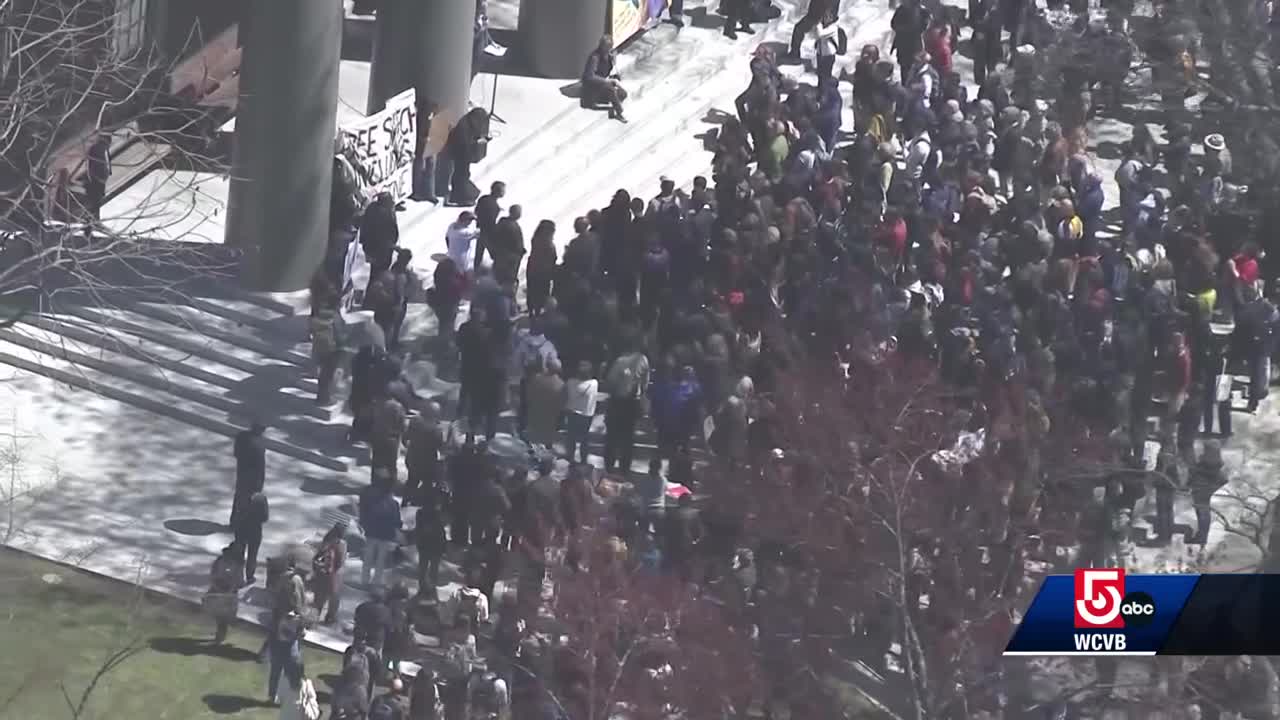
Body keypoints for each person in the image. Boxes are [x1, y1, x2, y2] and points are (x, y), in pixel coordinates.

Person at [359, 475, 403, 587]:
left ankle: (365, 580)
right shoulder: (394, 504)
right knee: (380, 560)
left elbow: (366, 515)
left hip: (372, 533)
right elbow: (396, 521)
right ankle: (376, 581)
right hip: (385, 535)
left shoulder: (374, 501)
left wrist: (365, 525)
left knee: (368, 558)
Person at [446, 107, 490, 206]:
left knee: (461, 174)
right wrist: (477, 142)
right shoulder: (464, 126)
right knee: (462, 175)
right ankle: (461, 197)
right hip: (461, 155)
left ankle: (458, 195)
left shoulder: (466, 122)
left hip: (462, 154)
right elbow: (464, 143)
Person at [582, 36, 628, 123]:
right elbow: (590, 76)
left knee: (623, 94)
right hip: (592, 86)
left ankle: (612, 105)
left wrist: (613, 63)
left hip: (602, 83)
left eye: (608, 48)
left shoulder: (608, 56)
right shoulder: (594, 58)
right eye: (604, 47)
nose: (606, 50)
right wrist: (607, 81)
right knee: (610, 89)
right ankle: (619, 113)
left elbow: (607, 71)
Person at [311, 522, 348, 625]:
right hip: (334, 576)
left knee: (319, 599)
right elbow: (340, 561)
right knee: (334, 599)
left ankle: (312, 619)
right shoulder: (341, 544)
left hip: (322, 573)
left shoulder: (327, 540)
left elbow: (317, 556)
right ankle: (329, 619)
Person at [206, 543, 243, 643]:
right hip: (217, 588)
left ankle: (220, 636)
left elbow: (238, 581)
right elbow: (212, 575)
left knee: (224, 615)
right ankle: (220, 632)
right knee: (215, 612)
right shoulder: (219, 561)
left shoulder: (238, 565)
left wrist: (229, 591)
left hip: (229, 592)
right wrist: (216, 587)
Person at [231, 422, 266, 527]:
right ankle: (238, 523)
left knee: (242, 498)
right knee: (244, 498)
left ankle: (237, 522)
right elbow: (259, 462)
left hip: (247, 474)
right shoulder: (249, 440)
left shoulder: (245, 437)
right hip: (249, 475)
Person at [564, 360, 599, 464]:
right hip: (586, 414)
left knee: (571, 437)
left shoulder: (570, 382)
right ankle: (583, 460)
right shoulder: (594, 383)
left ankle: (570, 458)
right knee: (584, 439)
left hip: (572, 412)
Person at [233, 488, 269, 586]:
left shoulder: (241, 495)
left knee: (239, 553)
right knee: (252, 555)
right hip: (255, 530)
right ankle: (250, 576)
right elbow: (265, 517)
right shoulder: (261, 498)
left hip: (241, 529)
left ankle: (237, 576)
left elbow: (235, 513)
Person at [475, 182, 505, 272]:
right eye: (503, 190)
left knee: (479, 253)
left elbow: (477, 210)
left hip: (480, 230)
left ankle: (475, 270)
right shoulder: (494, 206)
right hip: (489, 233)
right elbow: (490, 222)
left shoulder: (483, 198)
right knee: (495, 254)